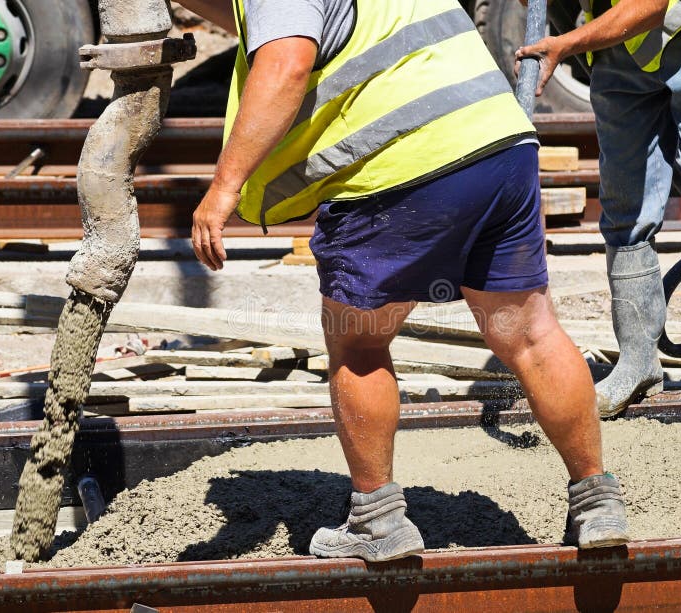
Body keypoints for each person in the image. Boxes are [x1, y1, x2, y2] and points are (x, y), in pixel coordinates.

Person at [185, 0, 629, 561]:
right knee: (532, 335)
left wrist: (223, 189)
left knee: (360, 343)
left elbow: (287, 63)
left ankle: (377, 522)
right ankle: (597, 504)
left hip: (399, 160)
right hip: (500, 145)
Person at [517, 0, 681, 417]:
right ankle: (637, 360)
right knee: (625, 207)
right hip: (619, 45)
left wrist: (566, 43)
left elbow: (652, 5)